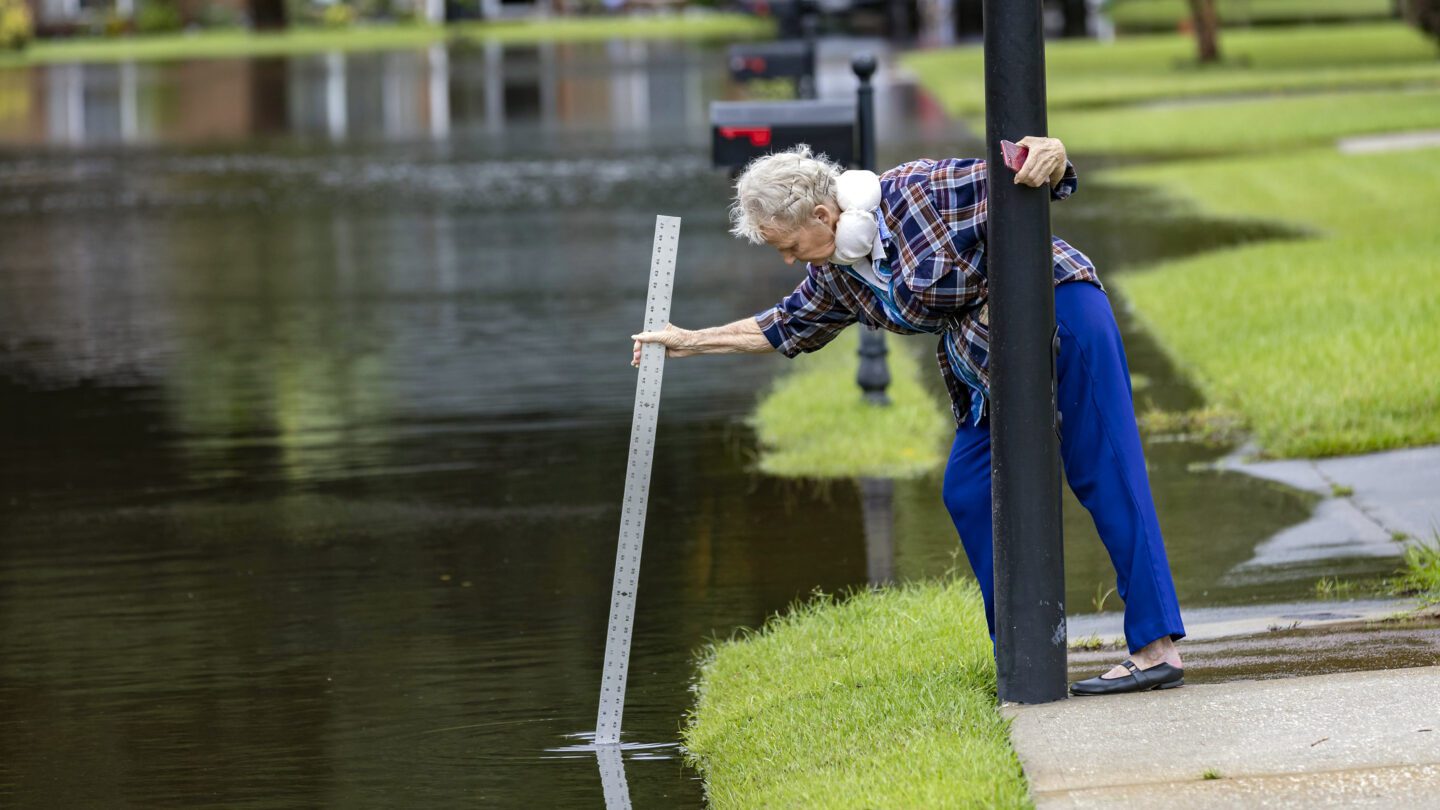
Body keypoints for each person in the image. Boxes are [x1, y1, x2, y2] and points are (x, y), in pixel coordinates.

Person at [631, 138, 1187, 696]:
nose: (788, 260)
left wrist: (1051, 154)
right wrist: (689, 341)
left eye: (790, 245)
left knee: (1104, 469)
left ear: (825, 215)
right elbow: (782, 326)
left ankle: (1156, 648)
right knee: (969, 489)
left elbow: (1028, 175)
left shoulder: (922, 190)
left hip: (1060, 313)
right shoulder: (840, 273)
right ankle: (1024, 649)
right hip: (988, 360)